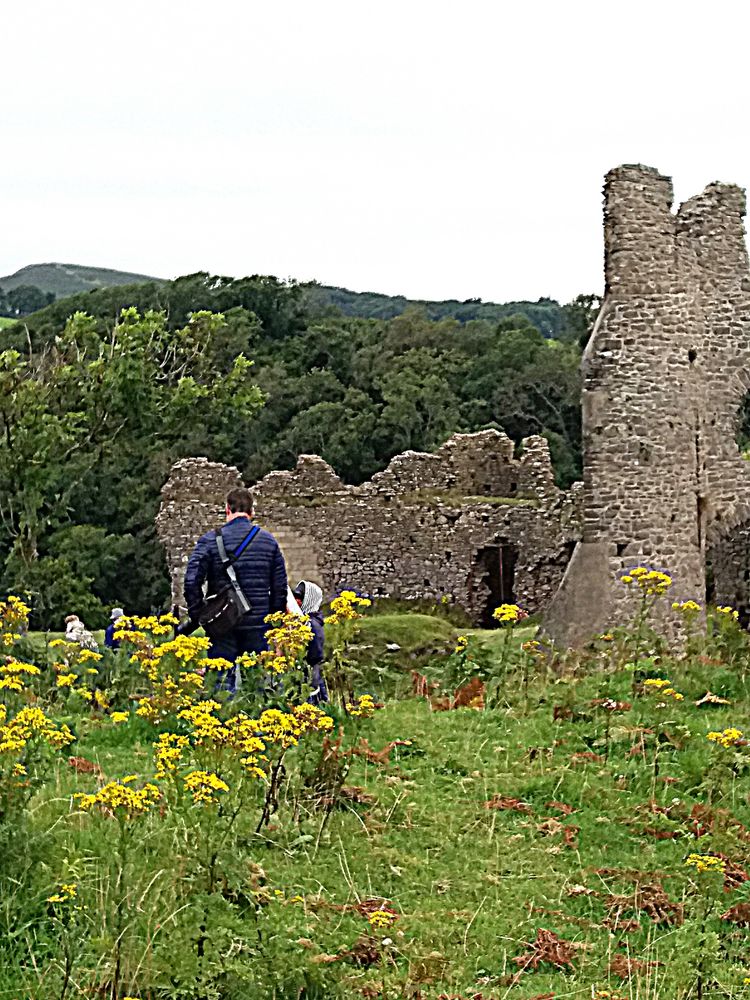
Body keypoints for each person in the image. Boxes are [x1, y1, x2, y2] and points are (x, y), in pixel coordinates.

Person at [183, 487, 288, 692]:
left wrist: (200, 615)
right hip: (258, 624)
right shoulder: (269, 542)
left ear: (227, 509)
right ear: (252, 511)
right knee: (258, 686)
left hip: (222, 623)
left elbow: (191, 581)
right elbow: (280, 589)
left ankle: (223, 712)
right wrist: (273, 622)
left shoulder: (209, 541)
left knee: (222, 686)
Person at [292, 580, 328, 705]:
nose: (297, 602)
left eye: (300, 598)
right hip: (306, 668)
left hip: (310, 668)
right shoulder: (304, 621)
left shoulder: (311, 623)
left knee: (312, 697)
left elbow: (316, 652)